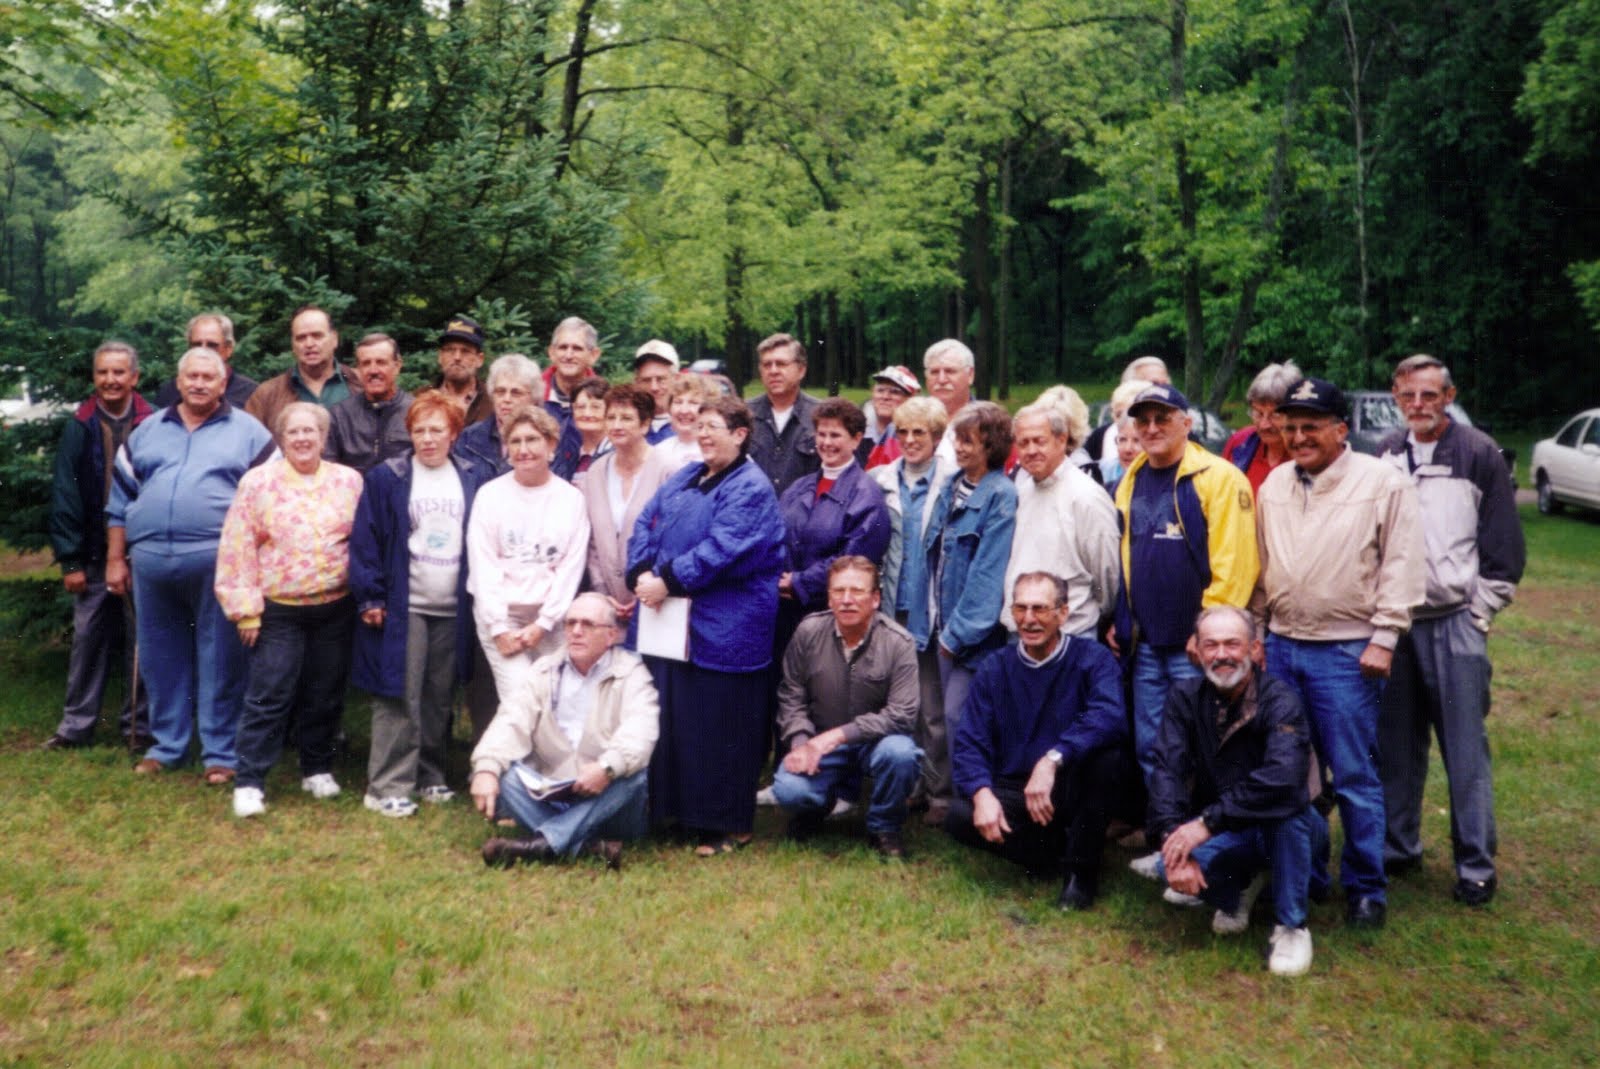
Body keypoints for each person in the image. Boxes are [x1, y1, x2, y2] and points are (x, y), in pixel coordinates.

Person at [1252, 376, 1424, 929]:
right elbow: (1262, 565)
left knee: (1353, 774)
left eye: (1311, 427)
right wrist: (1258, 632)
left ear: (1340, 429)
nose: (1299, 437)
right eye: (1291, 426)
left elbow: (1401, 563)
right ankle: (1306, 875)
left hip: (1347, 651)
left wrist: (1385, 635)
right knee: (1291, 773)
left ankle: (1366, 886)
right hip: (1282, 647)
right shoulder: (1275, 484)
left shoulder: (1382, 482)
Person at [1376, 355, 1525, 907]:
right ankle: (1398, 848)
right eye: (1410, 395)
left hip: (1455, 622)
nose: (1419, 405)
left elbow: (1505, 550)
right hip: (1398, 622)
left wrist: (1479, 614)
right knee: (1396, 745)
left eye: (1430, 395)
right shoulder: (1386, 453)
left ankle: (1475, 866)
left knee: (1464, 750)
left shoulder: (1479, 453)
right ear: (1396, 396)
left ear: (1448, 395)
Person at [106, 347, 276, 781]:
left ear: (223, 384)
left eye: (209, 377)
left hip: (218, 562)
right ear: (178, 383)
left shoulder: (250, 432)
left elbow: (270, 501)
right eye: (192, 376)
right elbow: (120, 501)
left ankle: (221, 752)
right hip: (149, 563)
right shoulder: (147, 431)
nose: (199, 383)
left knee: (221, 657)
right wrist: (114, 559)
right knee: (161, 657)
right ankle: (167, 745)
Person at [627, 395, 786, 856]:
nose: (704, 434)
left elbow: (725, 548)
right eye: (700, 425)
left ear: (739, 434)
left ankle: (725, 824)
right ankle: (679, 813)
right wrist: (639, 572)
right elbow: (646, 520)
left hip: (727, 624)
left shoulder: (751, 487)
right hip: (673, 622)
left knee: (720, 724)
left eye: (714, 425)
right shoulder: (686, 475)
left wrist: (667, 580)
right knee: (678, 721)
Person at [1147, 607, 1327, 976]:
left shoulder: (1281, 701)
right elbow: (1168, 769)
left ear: (1255, 650)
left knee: (1287, 807)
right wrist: (1172, 838)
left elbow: (1282, 779)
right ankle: (1238, 892)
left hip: (1293, 828)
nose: (1222, 654)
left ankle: (1292, 926)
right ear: (1196, 651)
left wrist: (1206, 824)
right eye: (1210, 645)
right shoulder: (1184, 697)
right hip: (1231, 826)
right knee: (1169, 869)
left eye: (1233, 643)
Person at [946, 572, 1136, 910]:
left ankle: (1081, 874)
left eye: (1040, 609)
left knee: (1109, 760)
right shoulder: (995, 668)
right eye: (1020, 609)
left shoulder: (1092, 658)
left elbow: (1109, 717)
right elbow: (970, 740)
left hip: (1070, 782)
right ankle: (1047, 856)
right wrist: (981, 793)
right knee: (961, 813)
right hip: (1017, 789)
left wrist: (1053, 758)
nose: (1029, 619)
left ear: (1063, 613)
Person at [216, 402, 364, 817]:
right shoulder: (258, 484)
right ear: (281, 439)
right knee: (270, 692)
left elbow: (363, 541)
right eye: (293, 432)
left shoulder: (348, 481)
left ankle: (316, 768)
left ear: (323, 436)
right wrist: (245, 608)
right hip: (279, 609)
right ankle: (249, 780)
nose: (302, 439)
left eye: (310, 431)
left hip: (334, 606)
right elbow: (237, 547)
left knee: (325, 691)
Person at [1113, 384, 1258, 791]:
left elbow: (1236, 564)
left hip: (1196, 646)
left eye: (1163, 418)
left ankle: (1208, 844)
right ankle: (1167, 837)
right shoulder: (1133, 477)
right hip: (1146, 645)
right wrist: (1123, 618)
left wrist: (1209, 633)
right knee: (1153, 746)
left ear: (1187, 423)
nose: (1152, 427)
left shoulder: (1220, 478)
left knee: (1206, 745)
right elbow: (1127, 558)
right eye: (1144, 420)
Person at [351, 390, 489, 818]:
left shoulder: (472, 475)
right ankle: (387, 784)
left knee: (437, 696)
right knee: (399, 693)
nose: (428, 439)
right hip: (404, 605)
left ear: (454, 433)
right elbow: (366, 540)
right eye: (419, 430)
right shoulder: (387, 477)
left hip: (453, 605)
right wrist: (370, 594)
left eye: (437, 430)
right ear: (409, 434)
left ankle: (430, 775)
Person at [471, 593, 660, 868]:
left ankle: (544, 844)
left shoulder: (632, 673)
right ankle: (587, 847)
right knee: (505, 775)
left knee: (634, 775)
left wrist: (606, 768)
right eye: (570, 624)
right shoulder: (544, 670)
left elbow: (640, 731)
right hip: (553, 794)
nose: (576, 631)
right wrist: (486, 768)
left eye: (587, 624)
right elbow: (511, 720)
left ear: (611, 635)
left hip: (608, 801)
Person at [773, 557, 922, 859]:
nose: (847, 600)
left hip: (875, 743)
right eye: (839, 591)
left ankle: (883, 826)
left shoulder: (899, 642)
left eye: (857, 591)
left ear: (876, 598)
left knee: (902, 754)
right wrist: (801, 743)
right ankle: (816, 807)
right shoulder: (808, 632)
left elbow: (903, 713)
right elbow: (791, 695)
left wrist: (840, 735)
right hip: (819, 742)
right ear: (829, 597)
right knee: (788, 790)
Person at [43, 341, 152, 750]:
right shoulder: (80, 425)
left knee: (142, 641)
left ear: (134, 377)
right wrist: (70, 559)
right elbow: (65, 494)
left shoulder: (152, 423)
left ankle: (139, 728)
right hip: (90, 554)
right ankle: (76, 726)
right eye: (103, 372)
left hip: (141, 552)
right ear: (95, 377)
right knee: (88, 641)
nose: (111, 380)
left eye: (119, 372)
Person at [869, 395, 958, 823]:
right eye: (902, 432)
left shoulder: (953, 482)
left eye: (918, 432)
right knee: (898, 706)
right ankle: (908, 785)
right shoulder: (880, 479)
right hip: (891, 607)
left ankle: (940, 792)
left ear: (938, 436)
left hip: (931, 610)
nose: (909, 440)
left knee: (933, 709)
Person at [467, 405, 591, 707]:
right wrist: (498, 627)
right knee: (522, 701)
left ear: (550, 445)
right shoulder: (490, 495)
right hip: (502, 616)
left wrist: (544, 623)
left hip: (552, 618)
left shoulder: (570, 499)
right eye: (516, 441)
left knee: (555, 700)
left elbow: (570, 568)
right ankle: (518, 756)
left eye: (532, 440)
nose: (524, 449)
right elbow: (484, 566)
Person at [927, 401, 1017, 804]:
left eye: (969, 441)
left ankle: (974, 802)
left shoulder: (1000, 494)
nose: (960, 449)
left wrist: (957, 634)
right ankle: (959, 800)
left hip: (973, 636)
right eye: (957, 439)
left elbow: (987, 575)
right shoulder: (951, 486)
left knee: (961, 716)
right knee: (945, 716)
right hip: (941, 624)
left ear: (991, 446)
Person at [1003, 402, 1120, 641]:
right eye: (1023, 443)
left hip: (1070, 634)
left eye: (1039, 441)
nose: (1031, 450)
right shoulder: (1023, 490)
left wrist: (1091, 608)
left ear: (1062, 440)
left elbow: (1105, 577)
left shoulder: (1086, 496)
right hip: (1020, 634)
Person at [775, 398, 891, 640]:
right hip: (786, 612)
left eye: (835, 435)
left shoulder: (867, 495)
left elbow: (855, 558)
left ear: (857, 439)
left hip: (833, 616)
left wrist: (800, 582)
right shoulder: (799, 487)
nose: (826, 443)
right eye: (821, 434)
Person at [581, 384, 672, 626]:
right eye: (611, 417)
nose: (616, 425)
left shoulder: (668, 470)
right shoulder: (596, 471)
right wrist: (603, 592)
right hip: (607, 603)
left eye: (626, 418)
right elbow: (591, 541)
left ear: (645, 424)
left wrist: (645, 589)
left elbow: (672, 539)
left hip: (655, 600)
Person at [245, 305, 360, 433]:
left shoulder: (360, 384)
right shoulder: (266, 396)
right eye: (301, 338)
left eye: (317, 336)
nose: (309, 344)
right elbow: (250, 444)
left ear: (334, 339)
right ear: (293, 345)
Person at [323, 332, 414, 474]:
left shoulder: (416, 412)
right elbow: (327, 471)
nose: (373, 370)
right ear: (358, 369)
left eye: (381, 362)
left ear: (397, 366)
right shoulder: (339, 416)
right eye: (366, 363)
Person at [747, 332, 822, 497]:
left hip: (803, 517)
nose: (773, 371)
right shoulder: (744, 416)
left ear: (801, 370)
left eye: (781, 364)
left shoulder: (821, 416)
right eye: (767, 365)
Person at [454, 352, 541, 478]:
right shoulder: (467, 439)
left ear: (533, 399)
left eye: (516, 393)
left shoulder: (545, 440)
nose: (506, 399)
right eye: (500, 391)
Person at [1222, 361, 1301, 496]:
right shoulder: (1239, 443)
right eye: (1258, 413)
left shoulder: (1307, 454)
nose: (1264, 424)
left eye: (1275, 415)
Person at [155, 313, 258, 409]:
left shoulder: (251, 394)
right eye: (197, 345)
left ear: (228, 349)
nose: (203, 350)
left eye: (212, 345)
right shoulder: (170, 392)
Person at [1085, 356, 1170, 464]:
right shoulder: (1100, 437)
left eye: (1165, 384)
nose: (1161, 391)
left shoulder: (1181, 437)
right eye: (1154, 384)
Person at [922, 339, 975, 465]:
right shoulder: (904, 424)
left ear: (970, 375)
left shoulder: (990, 425)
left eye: (950, 371)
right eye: (934, 372)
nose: (941, 380)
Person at [434, 314, 493, 426]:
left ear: (479, 359)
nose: (457, 357)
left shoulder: (493, 402)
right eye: (450, 350)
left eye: (465, 351)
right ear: (440, 356)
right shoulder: (419, 398)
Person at [863, 365, 920, 469]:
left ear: (911, 399)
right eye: (880, 390)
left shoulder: (916, 439)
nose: (885, 397)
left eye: (895, 392)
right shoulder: (856, 431)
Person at [653, 372, 711, 473]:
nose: (684, 410)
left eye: (693, 402)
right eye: (678, 402)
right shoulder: (659, 452)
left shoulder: (720, 449)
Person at [632, 339, 680, 444]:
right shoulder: (628, 425)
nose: (654, 387)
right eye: (646, 380)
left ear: (676, 379)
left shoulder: (690, 424)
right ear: (636, 382)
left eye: (661, 379)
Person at [568, 377, 612, 483]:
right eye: (581, 407)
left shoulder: (617, 454)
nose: (587, 414)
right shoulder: (567, 453)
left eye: (595, 407)